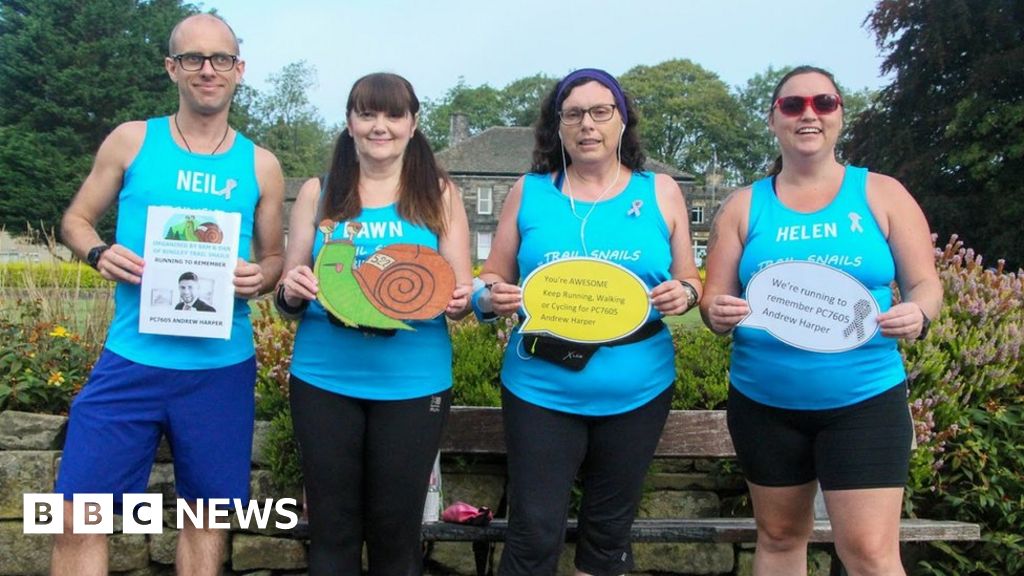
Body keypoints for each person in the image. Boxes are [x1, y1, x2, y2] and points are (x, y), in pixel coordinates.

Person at [54, 13, 284, 576]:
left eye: (221, 59)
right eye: (193, 59)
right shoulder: (132, 139)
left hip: (219, 368)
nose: (208, 70)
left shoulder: (262, 164)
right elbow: (76, 220)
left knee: (205, 522)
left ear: (239, 69)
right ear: (171, 68)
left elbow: (274, 257)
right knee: (78, 515)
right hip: (131, 359)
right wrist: (98, 253)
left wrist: (263, 276)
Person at [700, 66, 942, 575]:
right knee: (781, 538)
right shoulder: (744, 205)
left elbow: (926, 286)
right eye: (792, 105)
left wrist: (917, 313)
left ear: (839, 115)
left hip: (863, 400)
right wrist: (717, 312)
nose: (808, 113)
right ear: (773, 120)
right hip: (764, 404)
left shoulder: (882, 193)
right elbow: (713, 300)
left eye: (823, 103)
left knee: (870, 554)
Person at [475, 68, 702, 576]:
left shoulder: (662, 191)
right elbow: (490, 275)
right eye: (573, 113)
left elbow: (691, 279)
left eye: (602, 111)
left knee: (608, 534)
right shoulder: (528, 191)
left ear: (623, 122)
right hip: (540, 388)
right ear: (557, 126)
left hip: (639, 389)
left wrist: (684, 293)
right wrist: (490, 295)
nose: (588, 124)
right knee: (533, 532)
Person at [276, 72, 472, 576]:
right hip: (323, 381)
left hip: (414, 385)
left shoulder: (440, 194)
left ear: (413, 124)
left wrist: (459, 302)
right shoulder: (318, 193)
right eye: (367, 114)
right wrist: (292, 291)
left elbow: (460, 290)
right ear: (349, 123)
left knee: (395, 533)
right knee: (333, 530)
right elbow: (286, 293)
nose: (379, 126)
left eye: (392, 114)